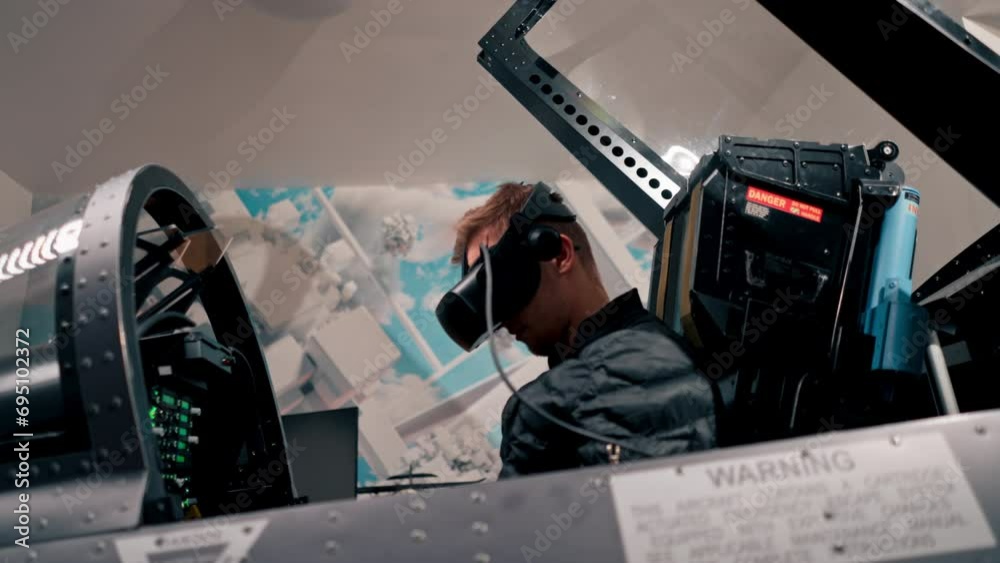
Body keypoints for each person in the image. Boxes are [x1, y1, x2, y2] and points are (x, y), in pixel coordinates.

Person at [447, 182, 717, 478]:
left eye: (500, 282)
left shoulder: (554, 404)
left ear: (560, 255)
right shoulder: (655, 345)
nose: (501, 317)